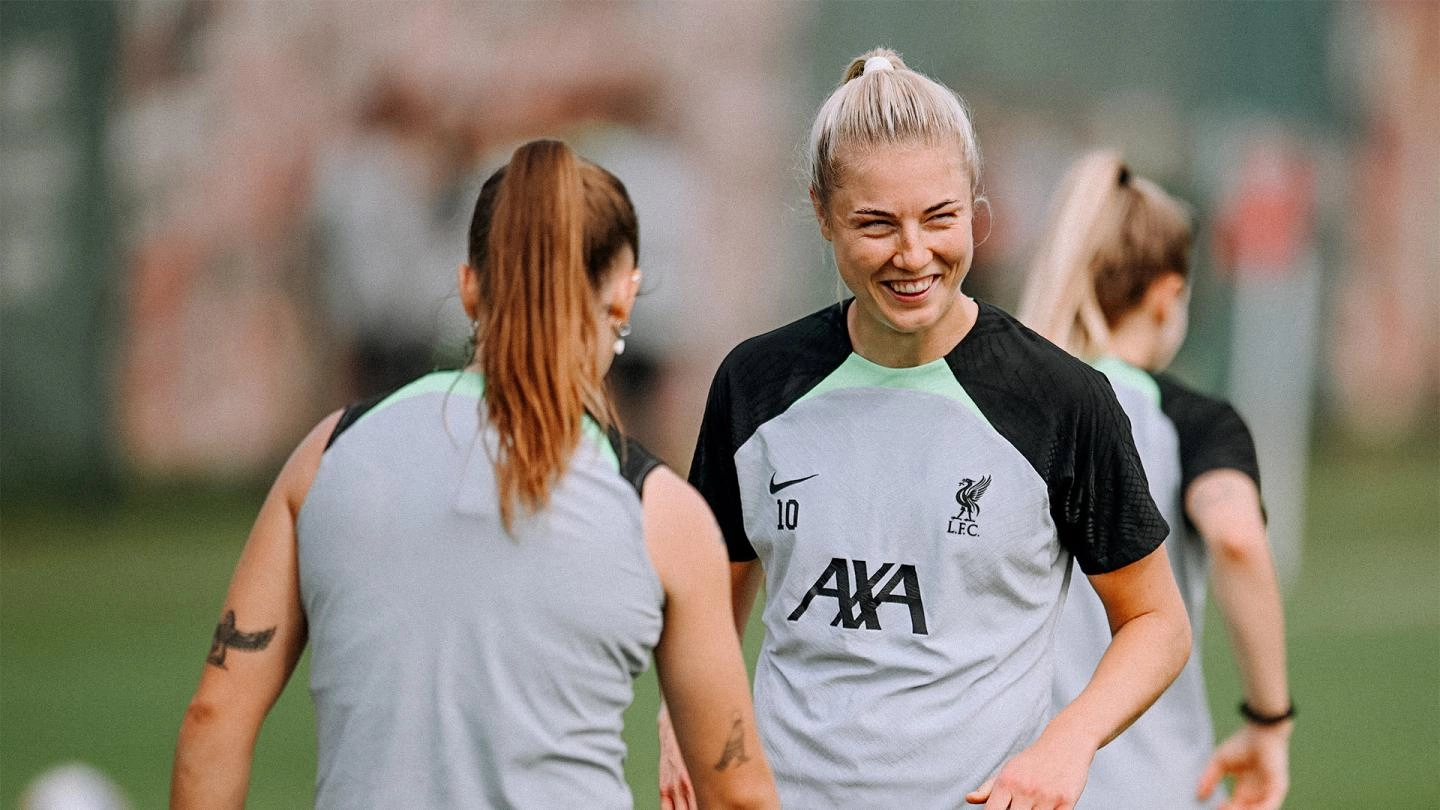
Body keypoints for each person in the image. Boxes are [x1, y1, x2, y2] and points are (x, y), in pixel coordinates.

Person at [171, 139, 779, 810]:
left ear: (468, 288)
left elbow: (214, 721)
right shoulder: (660, 512)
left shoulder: (328, 453)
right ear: (625, 295)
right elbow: (735, 796)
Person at [659, 50, 1191, 809]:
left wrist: (1069, 742)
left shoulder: (1060, 400)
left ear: (976, 205)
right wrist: (684, 722)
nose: (914, 255)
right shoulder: (755, 385)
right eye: (876, 225)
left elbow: (1157, 623)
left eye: (940, 218)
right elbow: (709, 604)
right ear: (820, 211)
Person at [1018, 151, 1292, 810]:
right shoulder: (1190, 420)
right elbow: (1236, 539)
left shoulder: (1006, 407)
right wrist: (1268, 722)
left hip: (1017, 782)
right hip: (1157, 785)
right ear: (1169, 296)